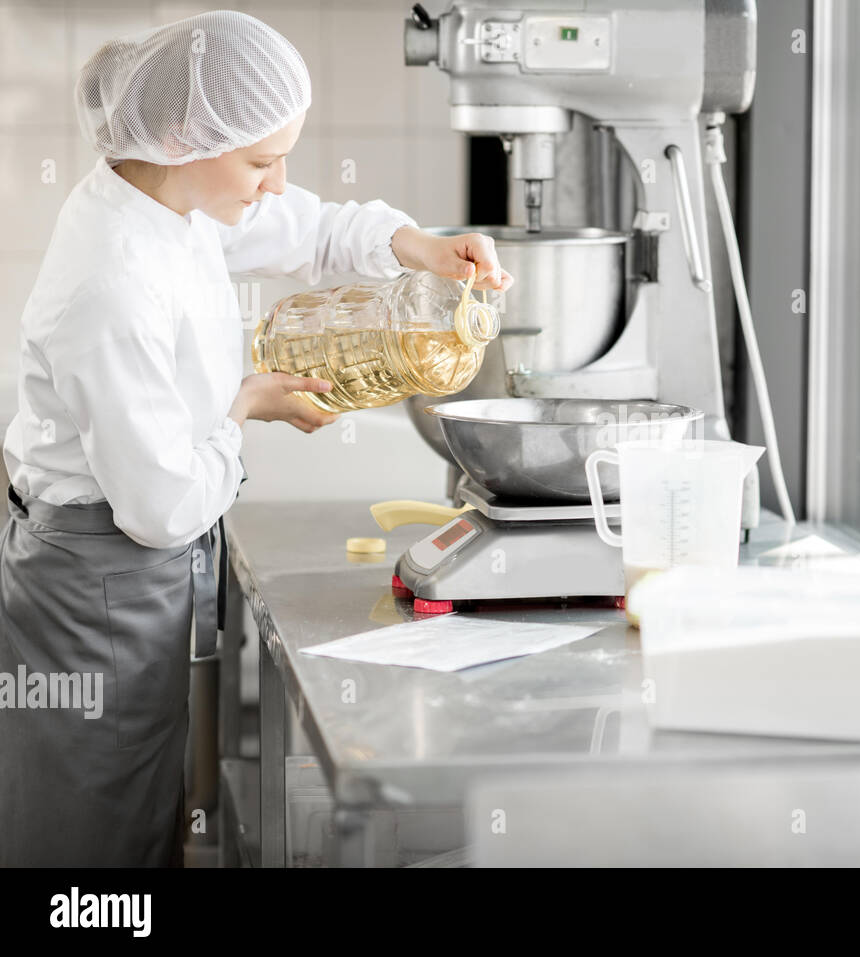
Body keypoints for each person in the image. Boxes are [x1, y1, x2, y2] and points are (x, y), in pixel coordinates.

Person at [0, 10, 512, 867]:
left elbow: (308, 229)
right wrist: (244, 409)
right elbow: (161, 507)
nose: (275, 184)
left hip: (130, 569)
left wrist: (420, 245)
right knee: (91, 825)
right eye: (261, 162)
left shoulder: (175, 196)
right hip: (96, 582)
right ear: (180, 134)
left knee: (135, 799)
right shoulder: (112, 282)